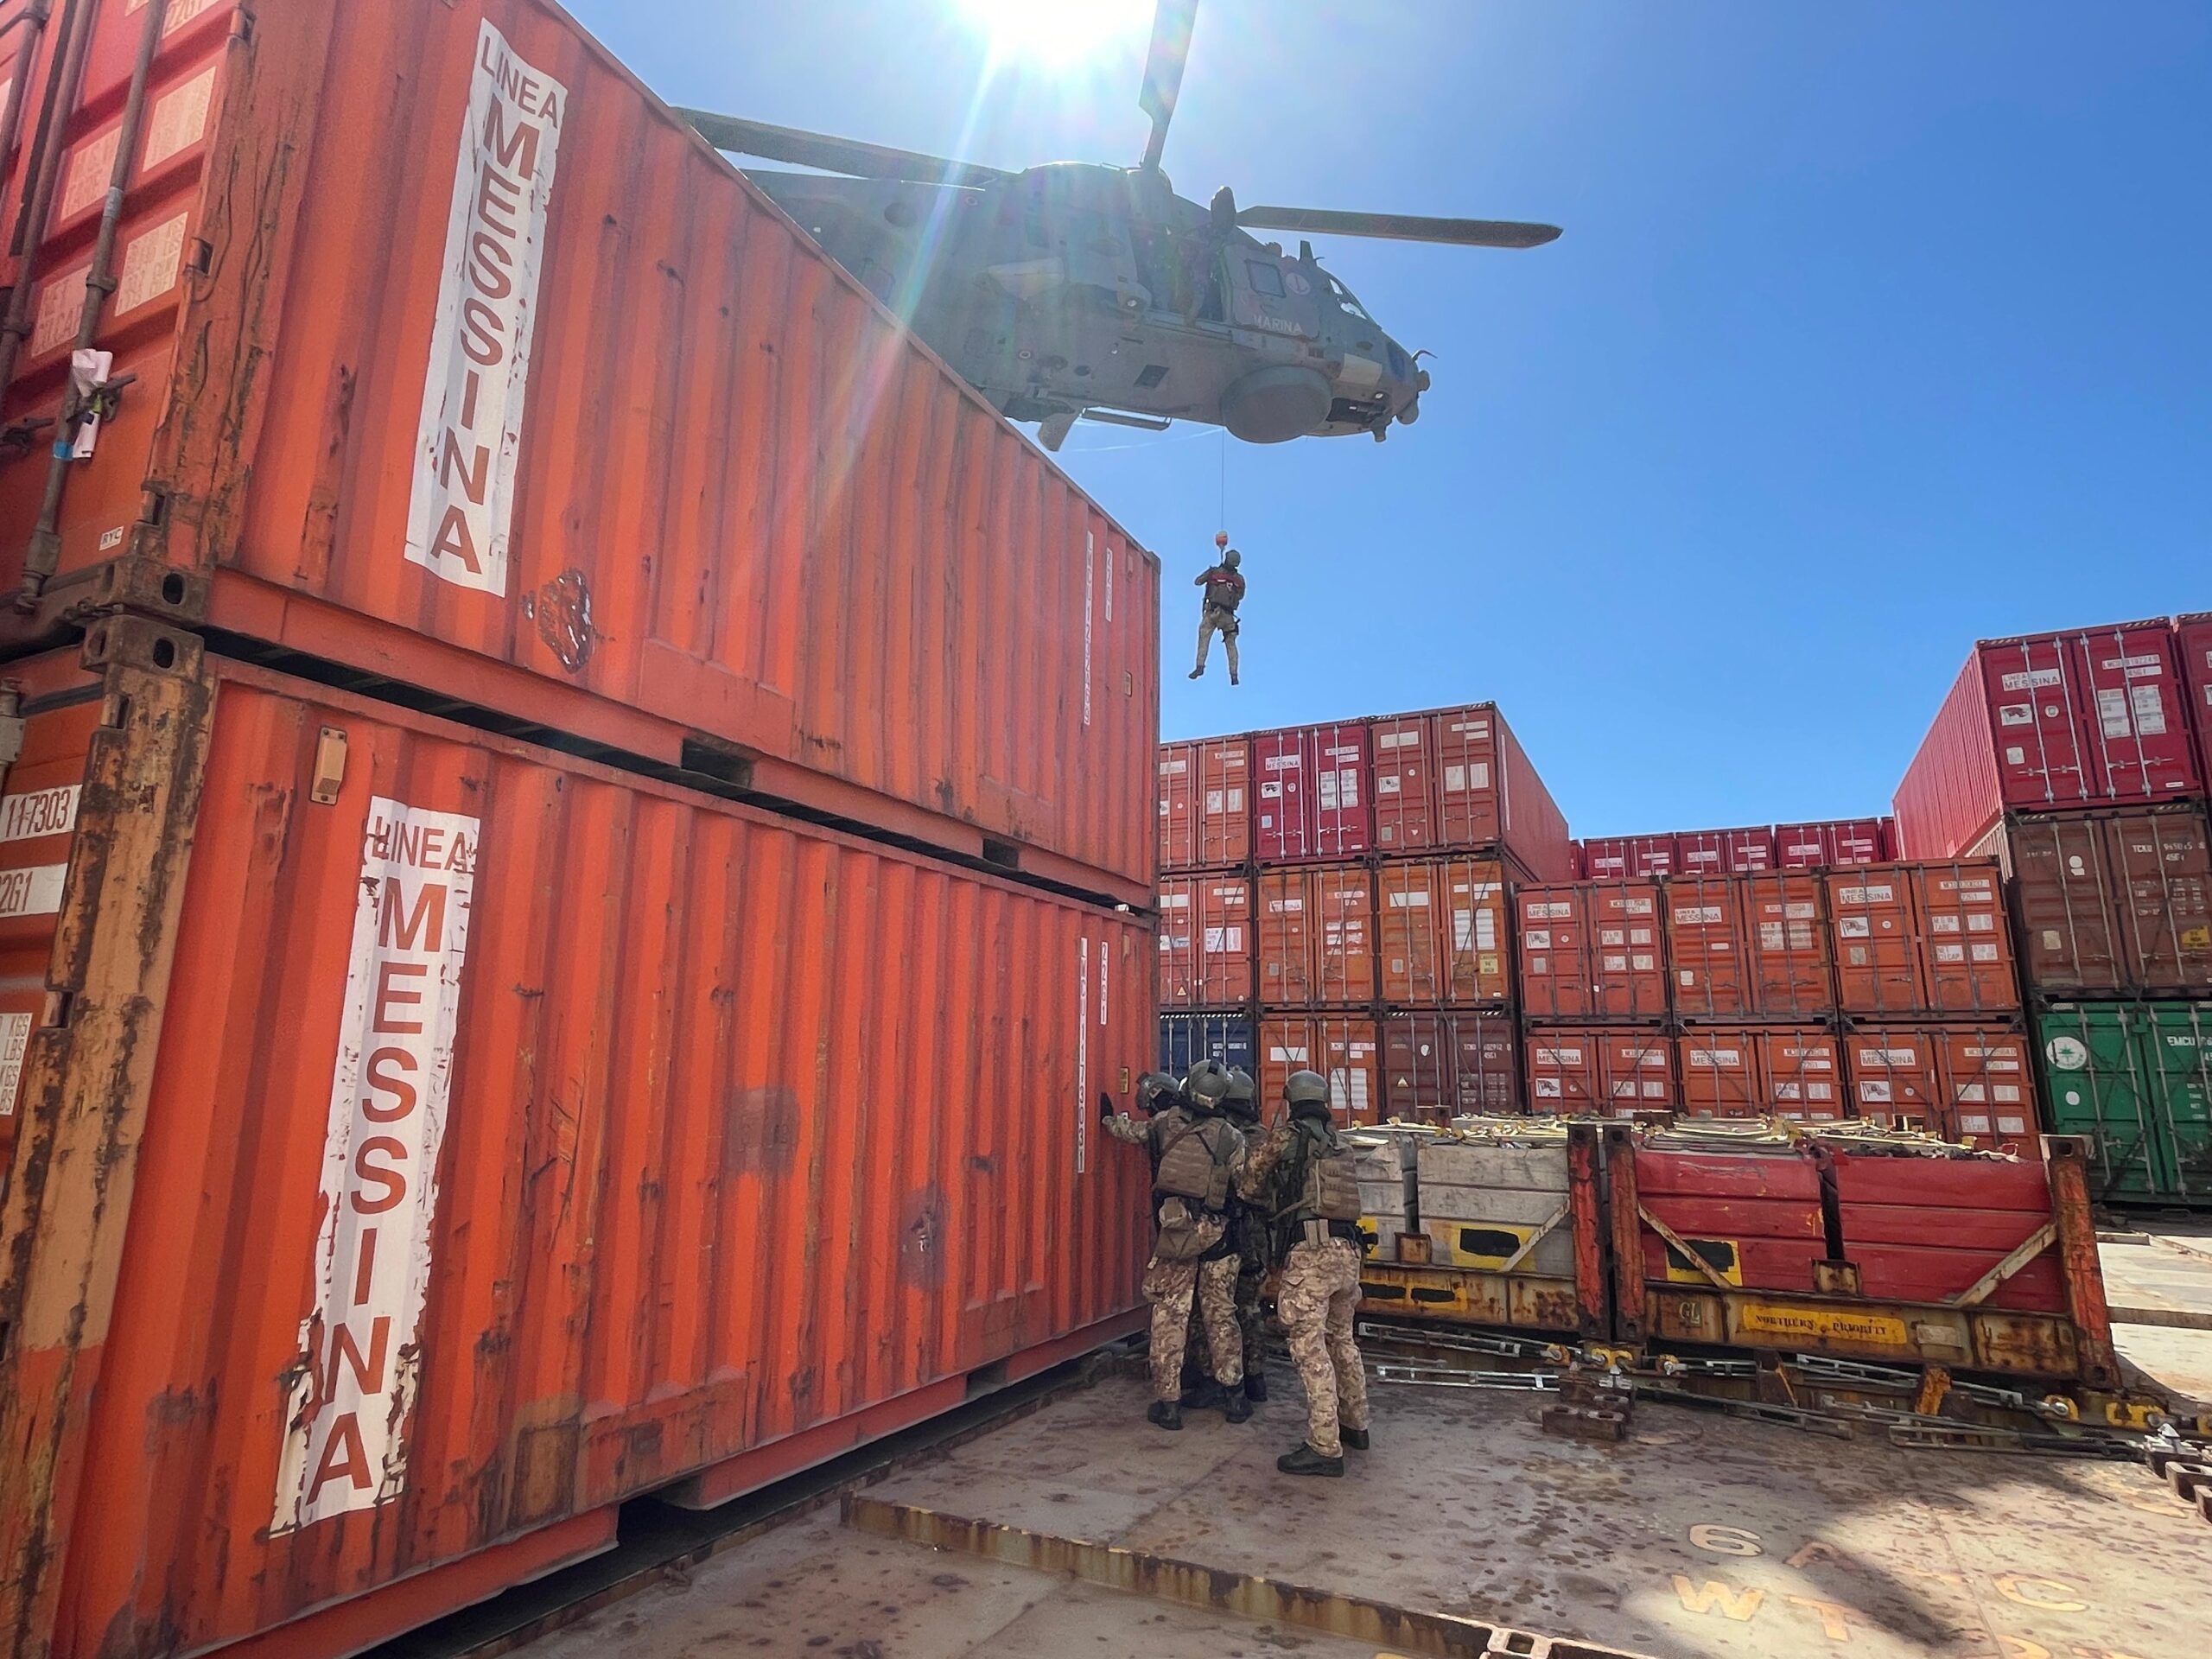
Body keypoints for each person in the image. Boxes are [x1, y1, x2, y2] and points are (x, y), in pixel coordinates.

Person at [1102, 1060, 1251, 1430]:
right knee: (1221, 1318)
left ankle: (1168, 1405)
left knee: (1169, 1316)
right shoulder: (1232, 1137)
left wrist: (1106, 1119)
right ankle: (1234, 1399)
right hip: (1218, 1237)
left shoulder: (1163, 1122)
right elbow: (1248, 1188)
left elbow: (1128, 1131)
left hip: (1175, 1233)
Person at [1239, 1068, 1371, 1476]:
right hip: (1349, 1253)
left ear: (1292, 1100)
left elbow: (1249, 1183)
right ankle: (1356, 1425)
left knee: (1308, 1347)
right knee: (1342, 1342)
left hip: (1311, 1253)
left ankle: (1324, 1446)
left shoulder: (1286, 1137)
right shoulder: (1340, 1144)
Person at [1183, 1066, 1269, 1405]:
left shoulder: (1225, 1134)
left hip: (1231, 1232)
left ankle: (1213, 1378)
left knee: (1213, 1309)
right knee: (1248, 1308)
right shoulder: (1262, 1135)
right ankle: (1254, 1377)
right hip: (1257, 1234)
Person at [1190, 534, 1244, 684]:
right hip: (1228, 617)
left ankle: (1199, 666)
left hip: (1213, 612)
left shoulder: (1214, 572)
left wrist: (1211, 576)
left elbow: (1197, 582)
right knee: (1231, 645)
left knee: (1203, 637)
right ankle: (1234, 675)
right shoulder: (1239, 580)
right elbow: (1241, 596)